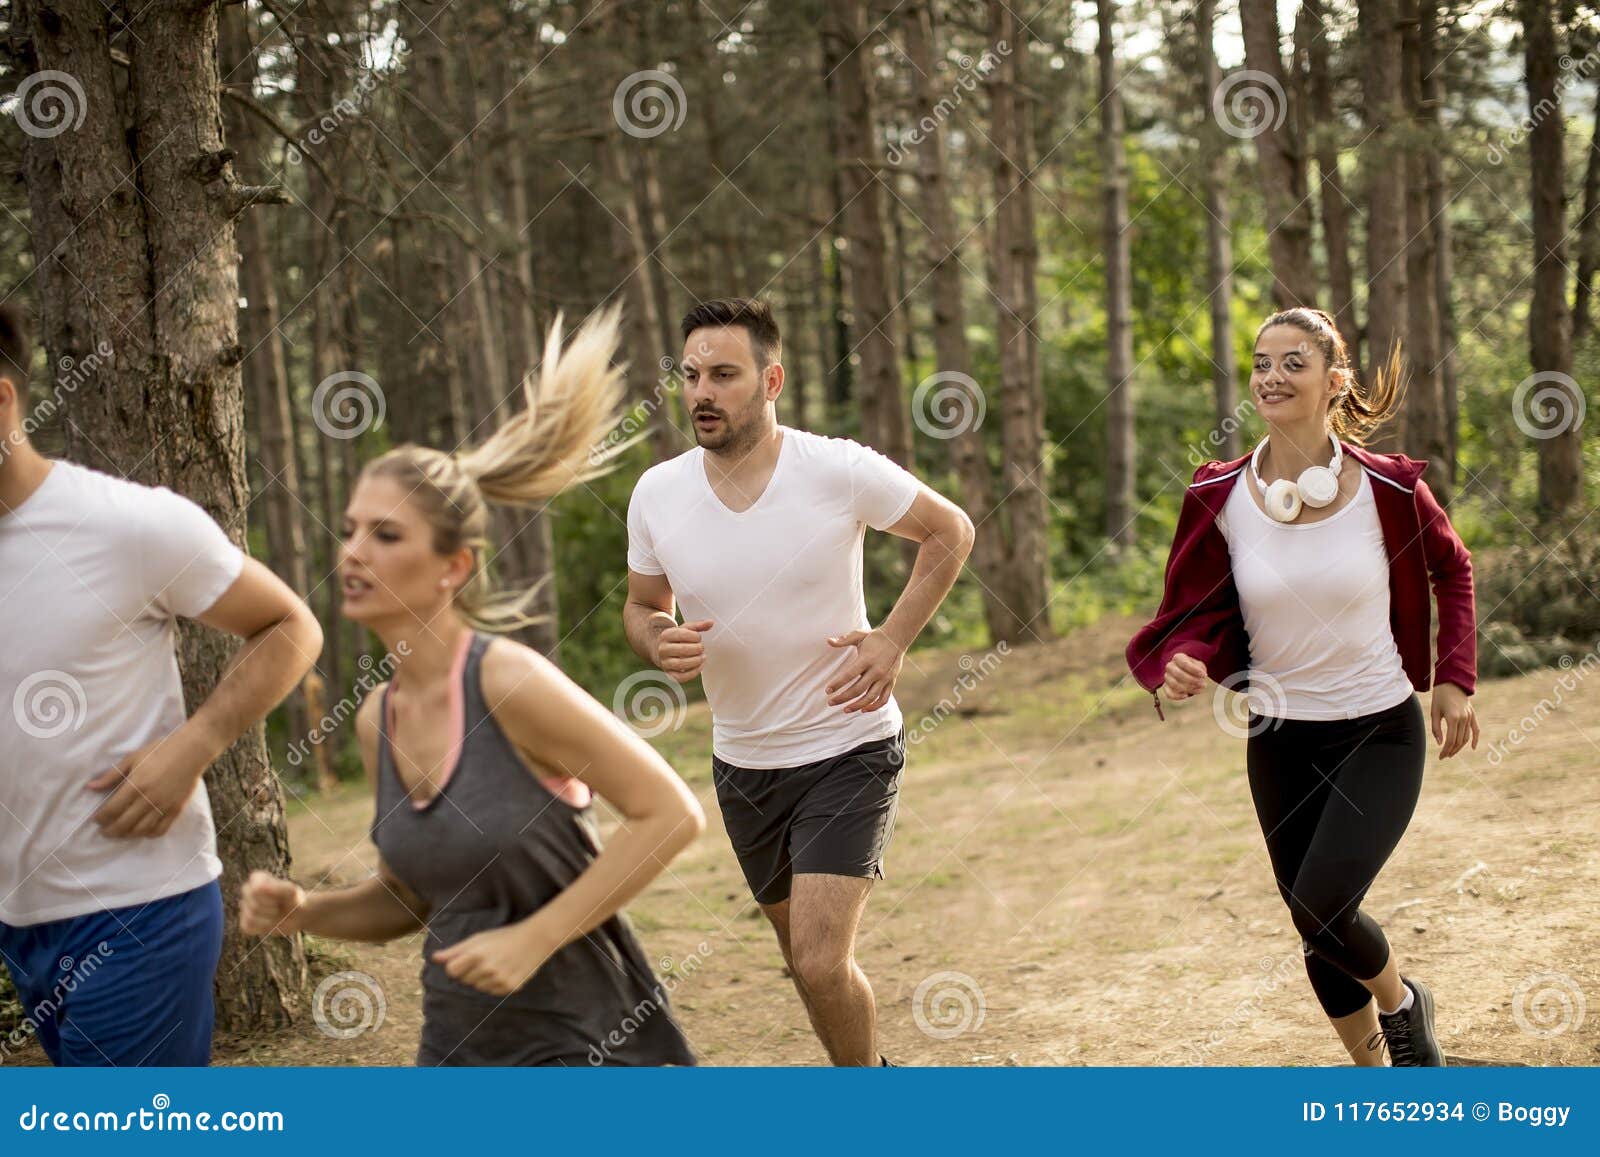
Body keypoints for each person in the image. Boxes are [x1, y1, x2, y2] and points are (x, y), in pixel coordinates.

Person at [240, 306, 702, 1067]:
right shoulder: (376, 718)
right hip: (458, 1046)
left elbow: (671, 814)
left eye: (386, 536)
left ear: (453, 567)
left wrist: (535, 938)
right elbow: (410, 897)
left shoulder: (506, 680)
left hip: (587, 1044)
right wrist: (304, 911)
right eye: (352, 528)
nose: (353, 551)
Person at [623, 297, 975, 1066]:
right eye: (690, 376)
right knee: (806, 965)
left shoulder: (836, 468)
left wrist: (893, 639)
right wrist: (658, 639)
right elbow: (642, 604)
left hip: (847, 747)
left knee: (818, 958)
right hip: (743, 764)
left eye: (723, 374)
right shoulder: (657, 492)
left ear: (771, 378)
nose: (701, 393)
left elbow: (950, 530)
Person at [1127, 307, 1479, 1067]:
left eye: (1293, 362)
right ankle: (1375, 1077)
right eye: (1261, 362)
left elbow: (1452, 568)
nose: (1271, 376)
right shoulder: (1220, 495)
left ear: (1334, 382)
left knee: (1323, 903)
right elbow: (1195, 610)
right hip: (1279, 736)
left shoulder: (1385, 487)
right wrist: (1184, 658)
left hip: (1379, 729)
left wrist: (1453, 678)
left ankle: (1403, 1006)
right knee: (1311, 920)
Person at [0, 301, 323, 1066]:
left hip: (137, 910)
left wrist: (195, 744)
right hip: (20, 921)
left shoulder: (128, 525)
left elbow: (291, 626)